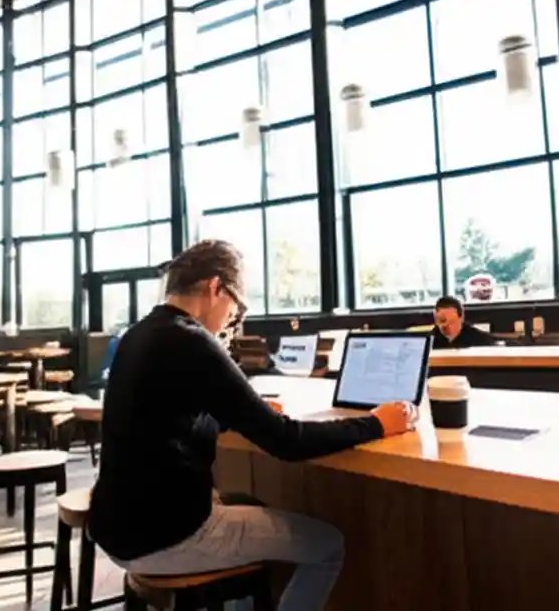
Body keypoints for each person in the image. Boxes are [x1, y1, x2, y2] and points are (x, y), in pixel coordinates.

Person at [89, 239, 417, 611]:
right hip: (165, 537)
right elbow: (287, 442)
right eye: (236, 307)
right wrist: (376, 423)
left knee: (255, 510)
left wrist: (244, 410)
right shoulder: (191, 340)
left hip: (116, 526)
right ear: (216, 287)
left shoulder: (140, 332)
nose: (233, 318)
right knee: (328, 547)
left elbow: (166, 415)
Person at [431, 295, 497, 349]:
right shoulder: (428, 341)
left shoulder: (482, 340)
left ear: (461, 317)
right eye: (442, 321)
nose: (446, 325)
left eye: (452, 322)